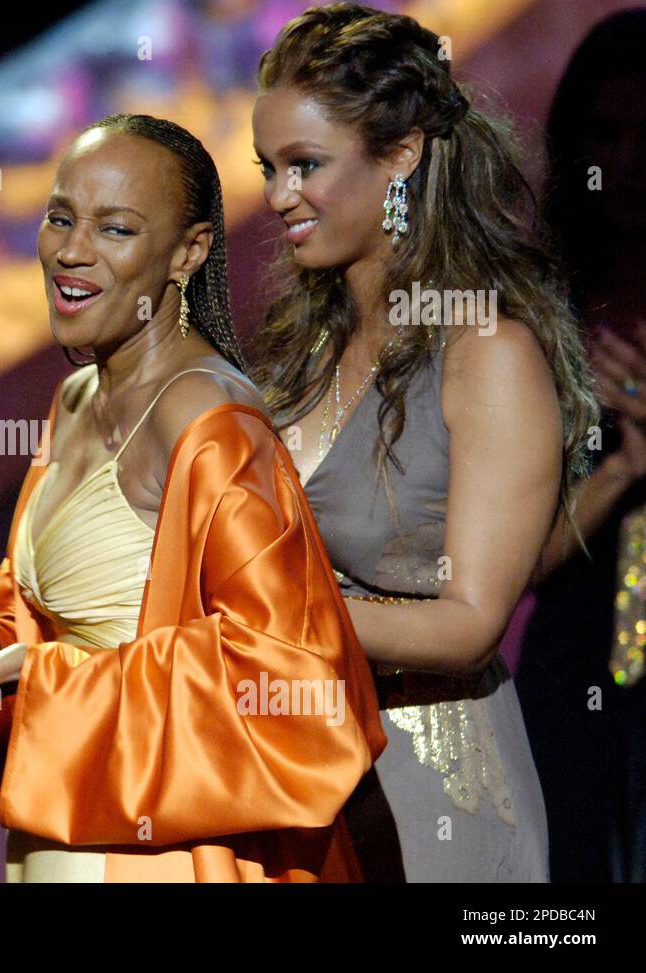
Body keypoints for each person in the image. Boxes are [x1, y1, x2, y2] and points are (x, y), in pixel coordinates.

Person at [0, 114, 387, 882]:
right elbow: (30, 636)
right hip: (63, 842)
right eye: (59, 218)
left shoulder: (211, 422)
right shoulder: (76, 396)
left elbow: (292, 678)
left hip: (171, 854)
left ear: (188, 252)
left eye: (115, 228)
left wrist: (52, 682)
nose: (71, 251)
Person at [250, 3, 598, 882]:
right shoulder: (306, 346)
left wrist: (257, 616)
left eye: (306, 165)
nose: (279, 194)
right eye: (269, 167)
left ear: (401, 155)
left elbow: (471, 621)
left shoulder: (488, 351)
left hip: (428, 797)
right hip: (297, 777)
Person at [518, 8, 646, 883]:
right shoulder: (536, 313)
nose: (631, 160)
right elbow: (505, 560)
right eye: (608, 133)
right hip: (577, 666)